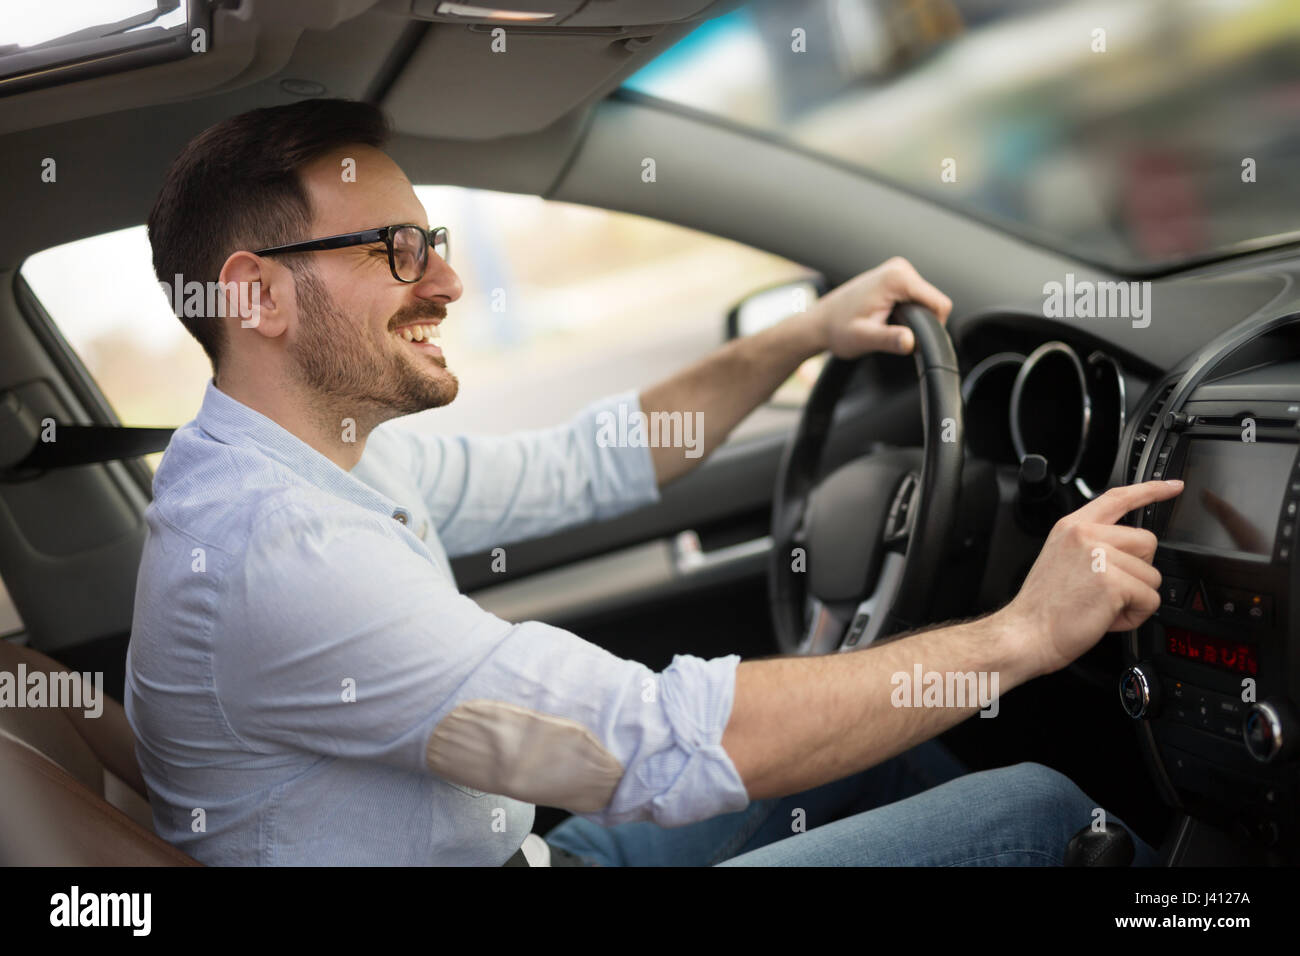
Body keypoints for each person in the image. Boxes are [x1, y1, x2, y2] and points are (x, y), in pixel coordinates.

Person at [126, 98, 1180, 866]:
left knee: (884, 755)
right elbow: (661, 742)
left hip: (541, 855)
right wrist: (1026, 633)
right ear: (257, 295)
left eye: (434, 241)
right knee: (1047, 815)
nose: (446, 280)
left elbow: (594, 460)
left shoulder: (317, 454)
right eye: (397, 250)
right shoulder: (281, 554)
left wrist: (801, 334)